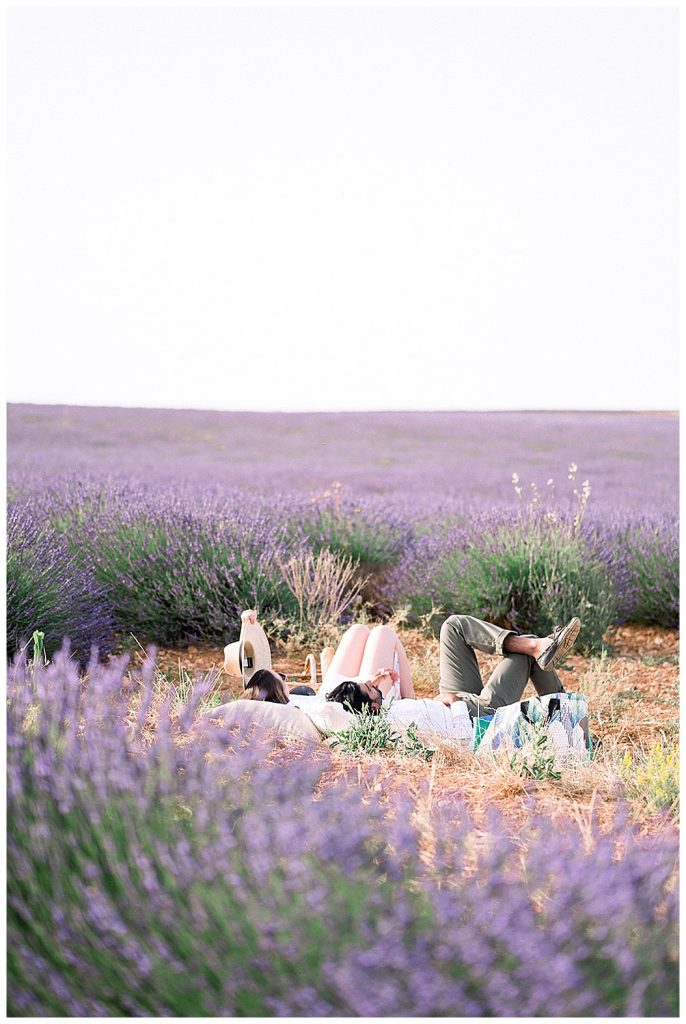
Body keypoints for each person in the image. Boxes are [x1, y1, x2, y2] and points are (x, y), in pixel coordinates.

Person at [435, 613, 581, 718]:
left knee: (453, 626)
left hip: (443, 701)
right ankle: (570, 724)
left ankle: (536, 647)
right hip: (454, 717)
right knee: (527, 652)